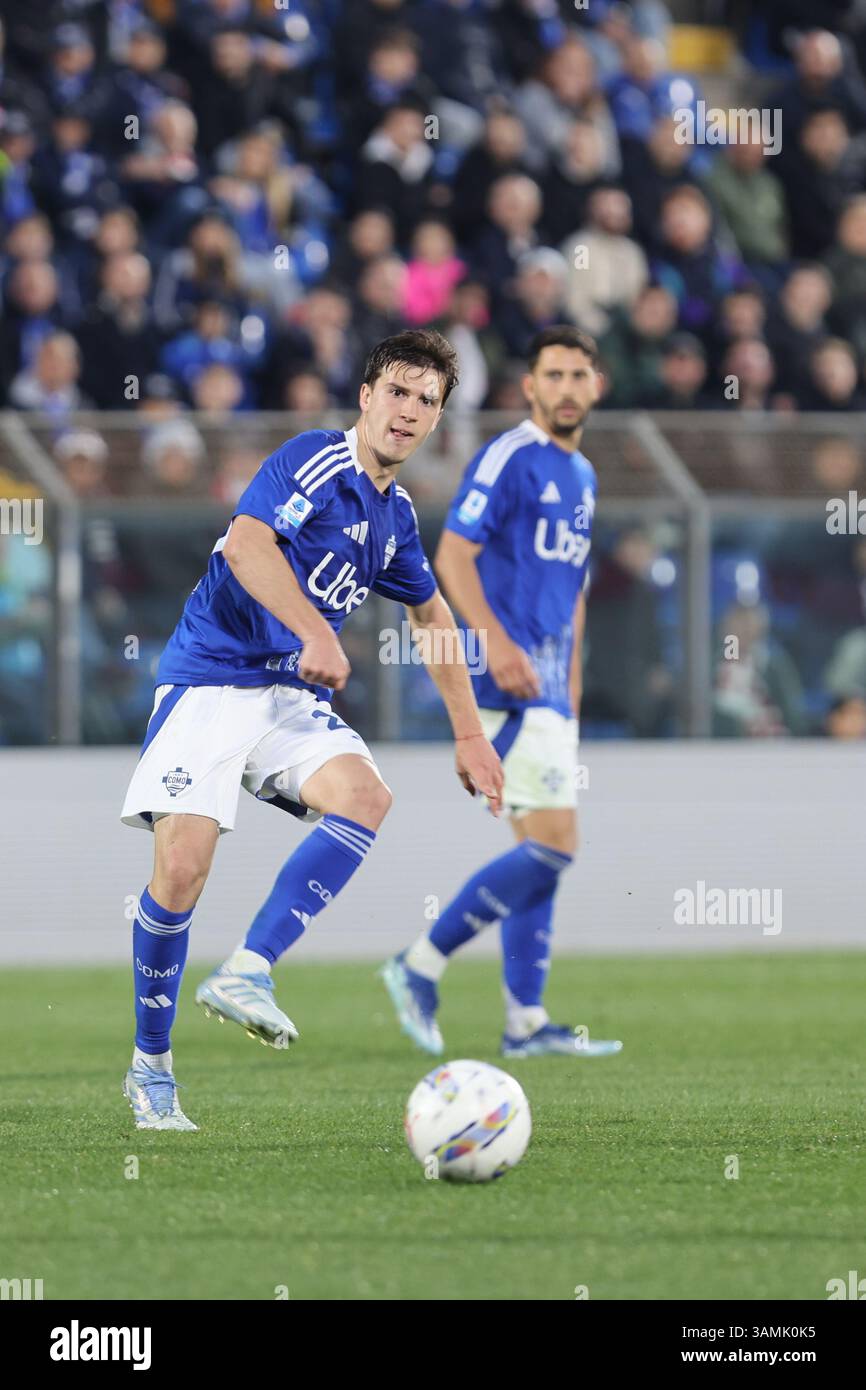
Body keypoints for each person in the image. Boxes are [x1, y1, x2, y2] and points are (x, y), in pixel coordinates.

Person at [119, 329, 504, 1130]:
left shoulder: (394, 517)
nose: (409, 411)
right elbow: (249, 543)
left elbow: (432, 616)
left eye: (426, 401)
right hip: (211, 680)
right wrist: (314, 632)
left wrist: (470, 735)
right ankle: (150, 1066)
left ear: (437, 420)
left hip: (285, 696)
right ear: (365, 398)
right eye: (397, 392)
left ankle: (249, 970)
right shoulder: (313, 460)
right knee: (182, 873)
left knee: (366, 797)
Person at [381, 326, 622, 1059]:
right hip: (507, 680)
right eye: (554, 374)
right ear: (530, 386)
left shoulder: (583, 476)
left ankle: (525, 1023)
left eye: (580, 374)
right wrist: (498, 643)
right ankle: (418, 964)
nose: (568, 387)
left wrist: (571, 680)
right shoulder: (512, 455)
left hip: (549, 686)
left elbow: (574, 589)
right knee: (555, 847)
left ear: (597, 387)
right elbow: (454, 554)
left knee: (537, 854)